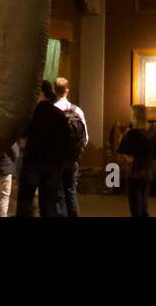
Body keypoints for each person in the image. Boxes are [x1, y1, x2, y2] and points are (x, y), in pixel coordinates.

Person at [16, 80, 71, 217]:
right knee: (48, 204)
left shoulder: (32, 114)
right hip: (53, 165)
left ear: (40, 93)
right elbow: (66, 140)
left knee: (25, 202)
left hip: (32, 163)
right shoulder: (59, 114)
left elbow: (21, 133)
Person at [52, 76, 88, 218]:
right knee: (71, 191)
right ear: (67, 91)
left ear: (54, 91)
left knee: (58, 193)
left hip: (56, 159)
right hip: (73, 158)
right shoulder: (77, 111)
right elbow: (85, 138)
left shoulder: (52, 110)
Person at [117, 105, 154, 217]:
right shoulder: (150, 133)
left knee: (135, 207)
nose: (130, 117)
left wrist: (121, 139)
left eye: (131, 115)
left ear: (135, 117)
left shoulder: (131, 134)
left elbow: (129, 157)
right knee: (143, 205)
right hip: (147, 172)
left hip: (134, 173)